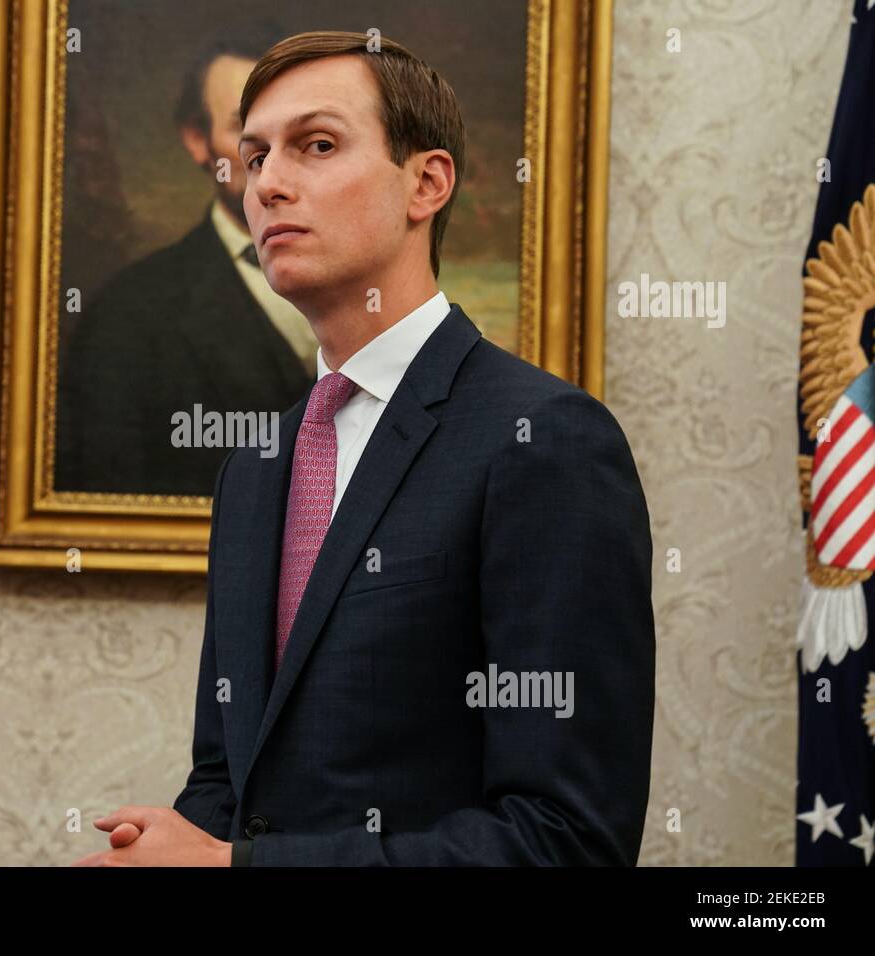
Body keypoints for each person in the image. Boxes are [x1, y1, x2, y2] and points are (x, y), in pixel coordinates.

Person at [73, 30, 654, 867]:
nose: (266, 183)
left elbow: (566, 842)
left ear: (426, 183)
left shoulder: (545, 442)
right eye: (254, 154)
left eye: (316, 145)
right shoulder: (255, 468)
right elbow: (231, 784)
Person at [55, 33, 316, 496]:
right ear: (198, 141)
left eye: (309, 138)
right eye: (248, 129)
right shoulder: (127, 317)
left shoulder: (383, 293)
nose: (277, 166)